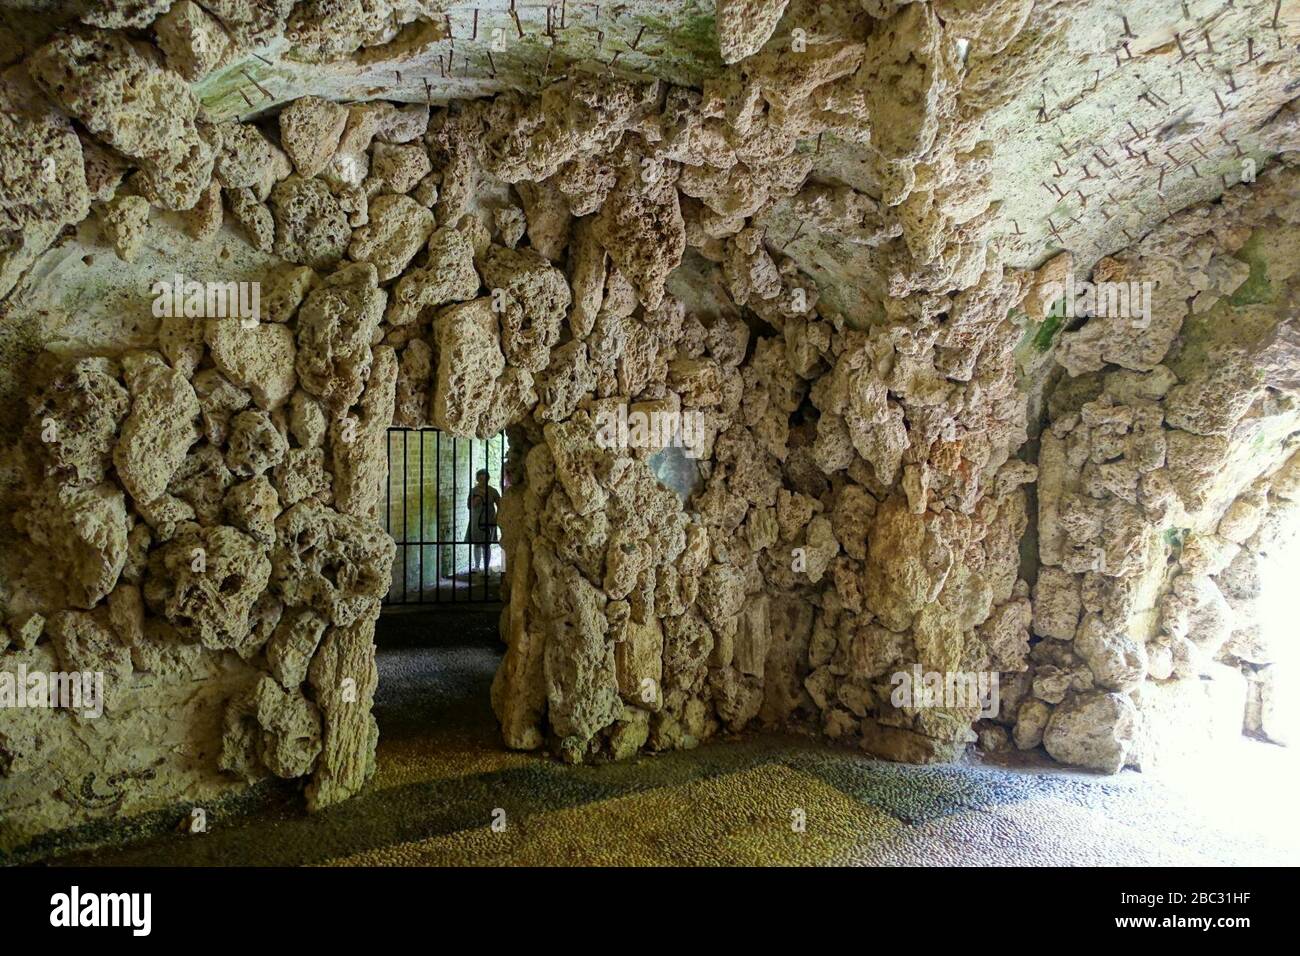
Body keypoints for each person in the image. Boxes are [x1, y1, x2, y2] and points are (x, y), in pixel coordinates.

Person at [465, 469, 501, 576]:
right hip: (476, 520)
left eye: (485, 479)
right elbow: (469, 506)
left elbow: (500, 505)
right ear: (477, 479)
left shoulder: (493, 491)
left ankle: (486, 568)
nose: (482, 481)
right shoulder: (473, 491)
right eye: (480, 479)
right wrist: (477, 500)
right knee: (476, 543)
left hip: (489, 519)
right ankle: (476, 566)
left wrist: (496, 517)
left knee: (486, 544)